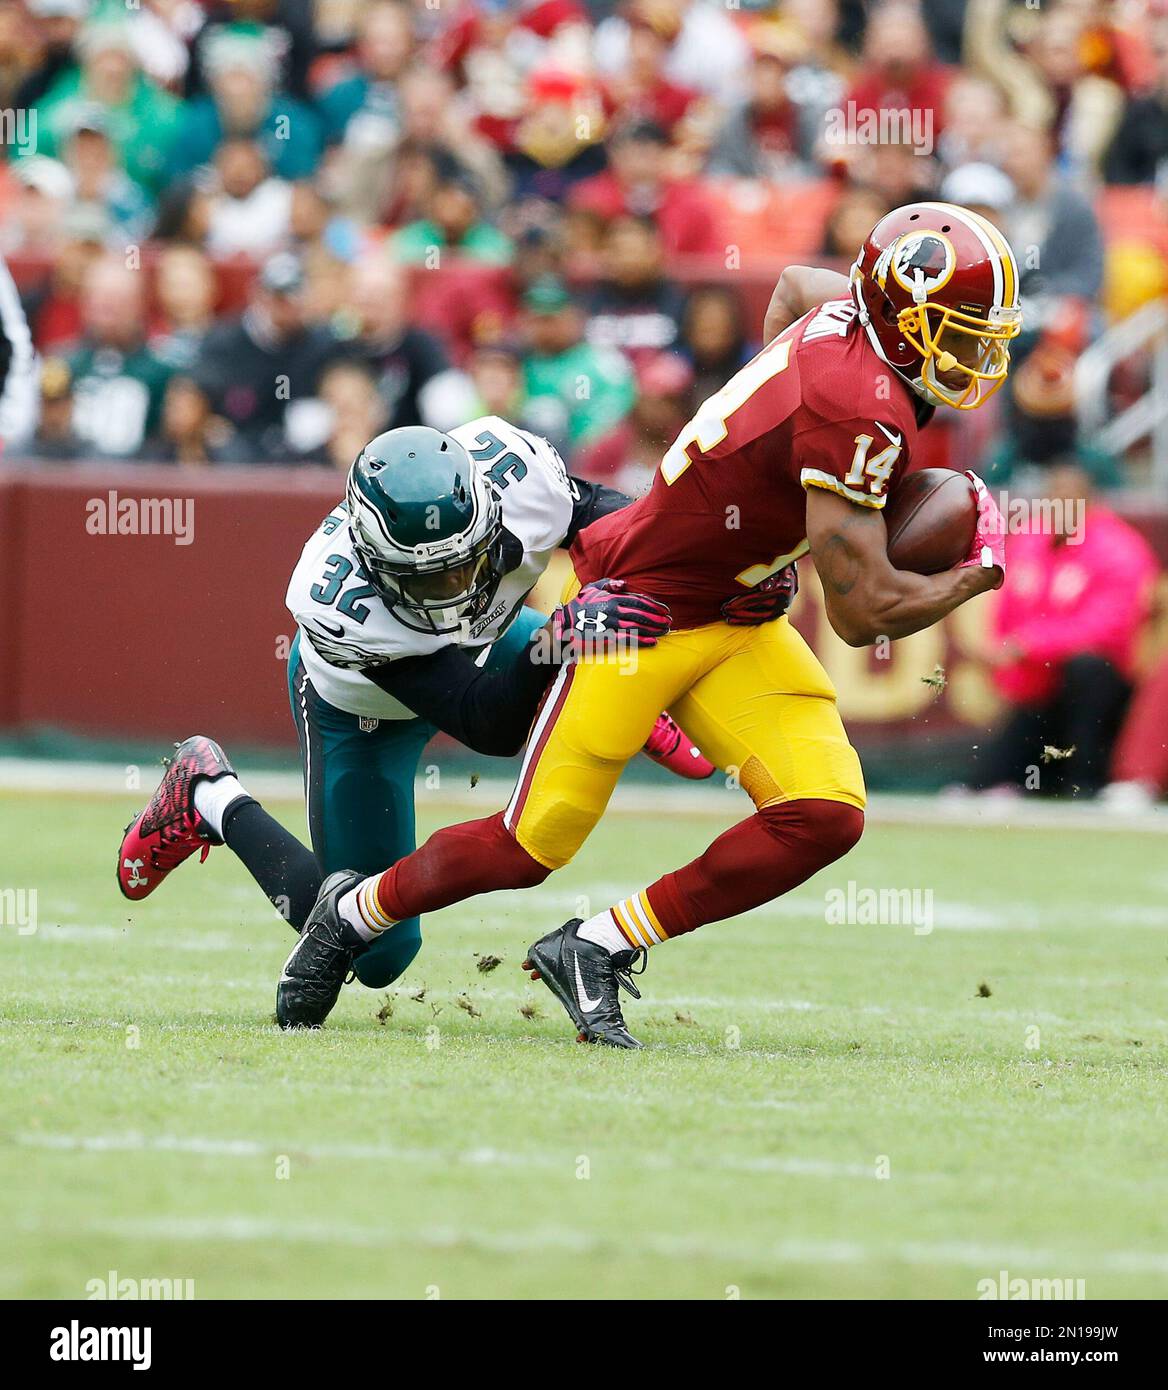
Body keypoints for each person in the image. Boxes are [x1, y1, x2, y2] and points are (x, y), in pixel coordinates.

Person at [262, 201, 1020, 1047]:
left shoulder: (845, 316)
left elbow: (798, 287)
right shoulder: (859, 405)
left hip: (732, 608)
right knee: (529, 845)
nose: (974, 353)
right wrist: (976, 570)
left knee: (825, 811)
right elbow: (858, 614)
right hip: (641, 613)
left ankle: (596, 947)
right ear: (903, 315)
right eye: (957, 330)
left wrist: (761, 500)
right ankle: (353, 913)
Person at [117, 418, 715, 1018]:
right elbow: (487, 724)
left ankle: (602, 689)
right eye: (427, 578)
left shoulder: (520, 476)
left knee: (611, 632)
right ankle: (210, 798)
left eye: (464, 565)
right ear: (372, 559)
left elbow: (624, 528)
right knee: (377, 954)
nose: (453, 589)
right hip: (365, 709)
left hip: (492, 645)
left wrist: (709, 564)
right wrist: (561, 639)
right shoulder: (340, 601)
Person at [968, 463, 1159, 799]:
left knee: (1087, 670)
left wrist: (1029, 645)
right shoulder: (1030, 540)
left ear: (1089, 503)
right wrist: (1006, 652)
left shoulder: (1120, 549)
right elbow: (1007, 606)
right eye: (1053, 500)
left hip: (1099, 687)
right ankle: (1016, 782)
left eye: (1069, 500)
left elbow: (1107, 629)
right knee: (990, 774)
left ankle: (1086, 781)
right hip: (1038, 680)